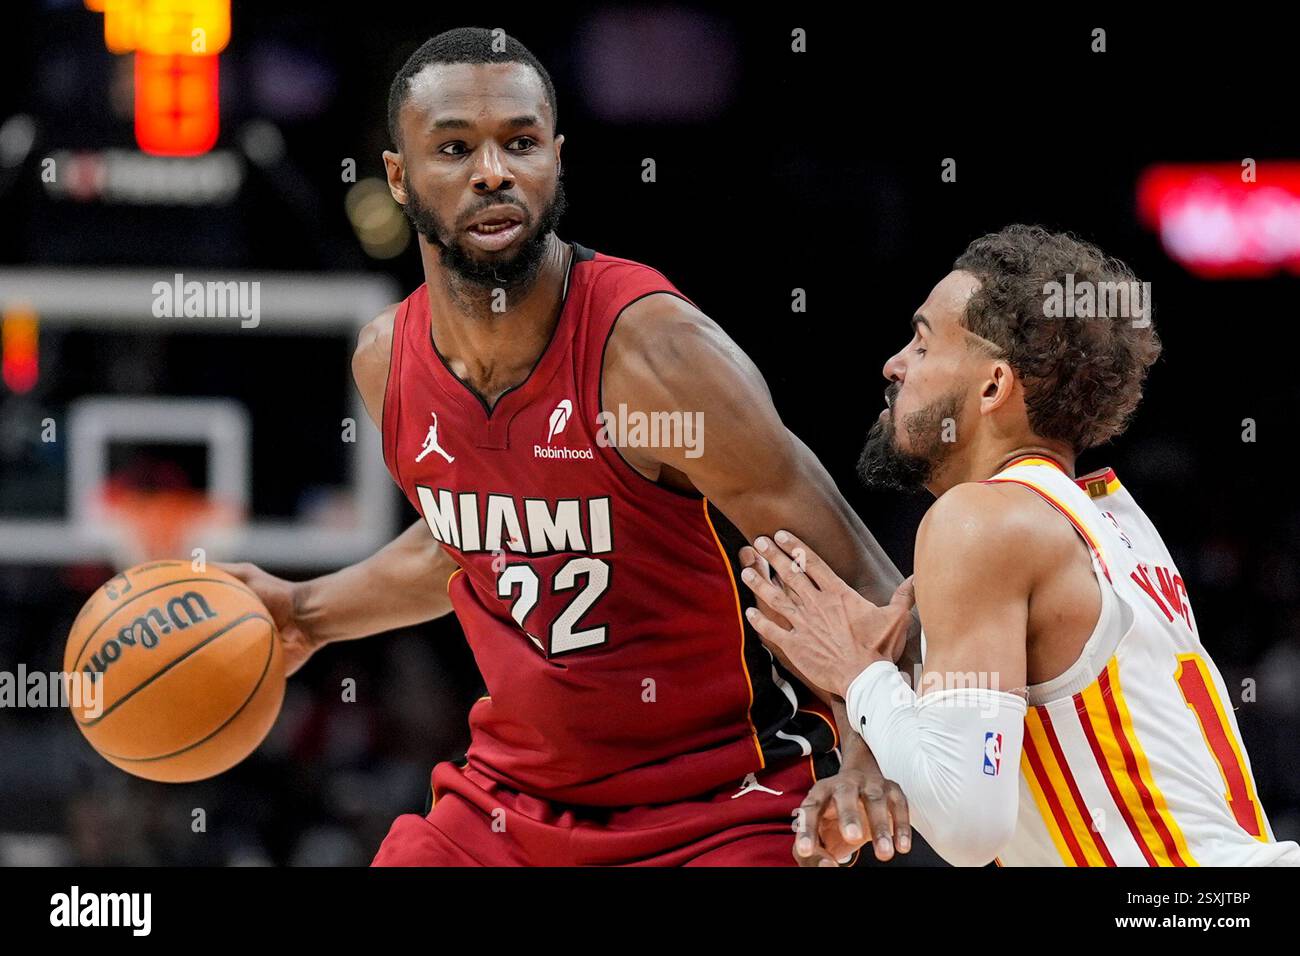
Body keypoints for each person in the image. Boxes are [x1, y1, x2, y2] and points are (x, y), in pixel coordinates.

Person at [223, 27, 911, 867]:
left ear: (556, 158)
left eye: (519, 142)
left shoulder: (657, 355)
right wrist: (305, 613)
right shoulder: (386, 363)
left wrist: (875, 761)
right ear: (397, 177)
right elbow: (478, 539)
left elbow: (866, 578)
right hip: (510, 807)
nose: (492, 171)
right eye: (454, 148)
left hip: (723, 804)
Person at [743, 224, 1300, 866]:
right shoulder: (1107, 519)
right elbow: (997, 776)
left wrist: (857, 674)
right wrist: (878, 759)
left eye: (923, 345)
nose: (894, 364)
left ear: (991, 388)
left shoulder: (981, 521)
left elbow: (969, 825)